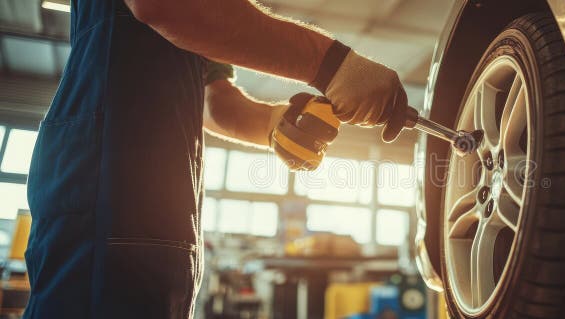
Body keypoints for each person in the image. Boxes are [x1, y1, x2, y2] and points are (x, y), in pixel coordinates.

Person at [23, 0, 408, 318]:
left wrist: (271, 125)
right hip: (106, 177)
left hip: (162, 200)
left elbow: (213, 100)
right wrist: (332, 65)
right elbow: (163, 6)